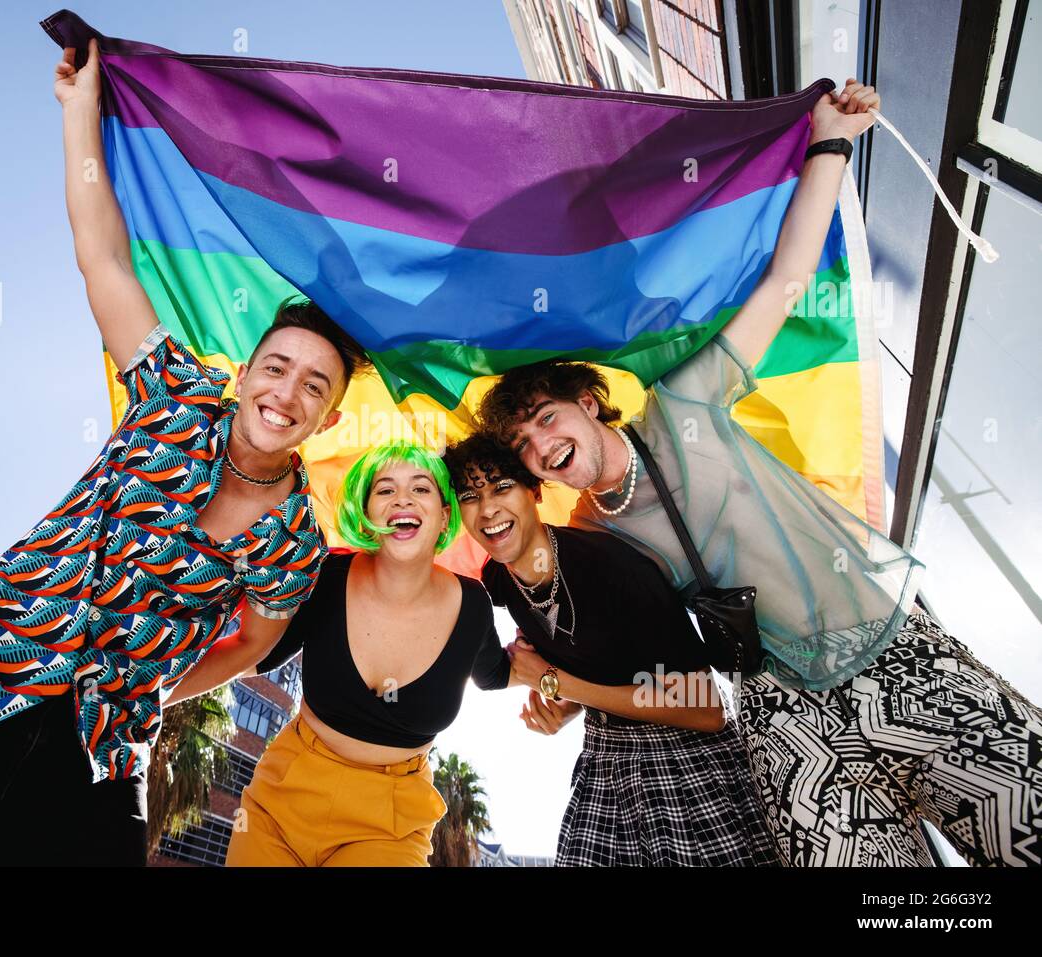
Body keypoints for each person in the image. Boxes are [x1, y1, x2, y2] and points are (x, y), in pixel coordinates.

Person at [0, 38, 372, 867]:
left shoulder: (294, 541)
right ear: (244, 375)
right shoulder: (175, 396)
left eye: (314, 387)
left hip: (93, 753)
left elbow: (253, 644)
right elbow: (103, 258)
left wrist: (153, 687)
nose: (286, 393)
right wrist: (79, 111)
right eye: (277, 368)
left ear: (329, 421)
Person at [476, 80, 1042, 867]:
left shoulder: (687, 403)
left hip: (892, 649)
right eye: (524, 447)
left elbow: (785, 279)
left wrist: (831, 143)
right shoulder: (588, 535)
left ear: (588, 402)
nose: (541, 443)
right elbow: (624, 654)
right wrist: (559, 697)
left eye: (545, 417)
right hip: (785, 718)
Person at [164, 440, 517, 866]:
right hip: (283, 799)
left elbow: (499, 673)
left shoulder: (473, 605)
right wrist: (140, 695)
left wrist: (561, 687)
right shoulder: (327, 578)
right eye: (385, 490)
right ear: (367, 516)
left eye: (421, 488)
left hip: (389, 824)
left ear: (444, 517)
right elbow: (254, 654)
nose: (402, 498)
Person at [443, 433, 780, 866]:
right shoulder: (498, 582)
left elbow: (704, 707)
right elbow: (598, 662)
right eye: (470, 496)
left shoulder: (610, 568)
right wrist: (564, 706)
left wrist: (553, 682)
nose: (488, 509)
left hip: (689, 764)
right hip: (604, 759)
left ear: (535, 490)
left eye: (502, 487)